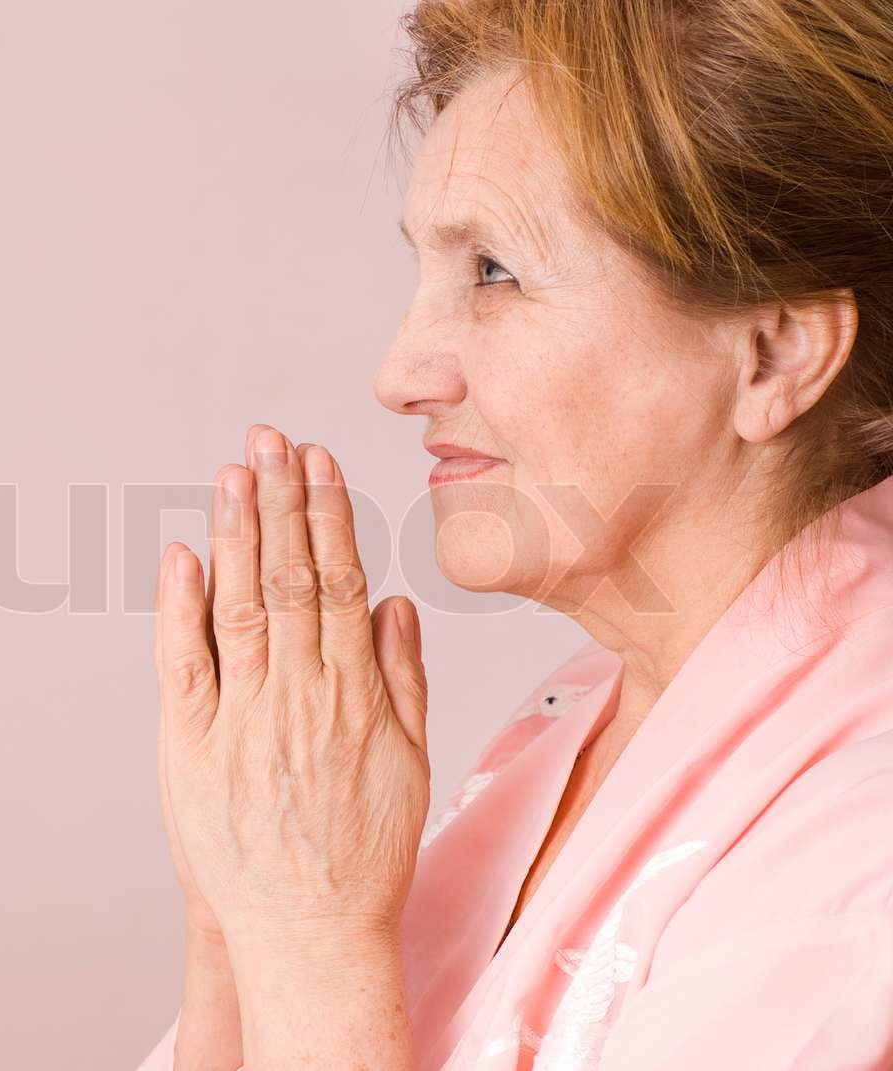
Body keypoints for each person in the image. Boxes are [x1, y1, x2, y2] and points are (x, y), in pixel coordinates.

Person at [136, 1, 893, 1067]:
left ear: (771, 357)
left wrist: (309, 937)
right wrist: (238, 906)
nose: (400, 374)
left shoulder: (856, 865)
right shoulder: (587, 715)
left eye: (493, 273)